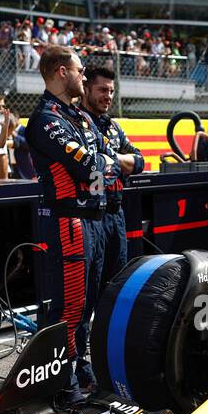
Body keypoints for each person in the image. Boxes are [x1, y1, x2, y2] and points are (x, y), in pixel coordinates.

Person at [23, 45, 119, 400]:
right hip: (69, 221)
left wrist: (103, 163)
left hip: (94, 218)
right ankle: (59, 382)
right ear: (62, 72)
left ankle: (80, 367)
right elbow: (91, 166)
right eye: (79, 71)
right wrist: (106, 163)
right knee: (70, 305)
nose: (83, 76)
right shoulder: (46, 119)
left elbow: (102, 161)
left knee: (87, 304)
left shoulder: (79, 116)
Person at [80, 65, 144, 282]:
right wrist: (118, 163)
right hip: (88, 214)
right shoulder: (75, 124)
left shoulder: (113, 127)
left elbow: (139, 161)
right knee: (91, 283)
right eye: (102, 90)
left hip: (116, 213)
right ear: (86, 89)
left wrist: (112, 160)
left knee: (117, 280)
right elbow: (92, 167)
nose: (108, 96)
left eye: (111, 91)